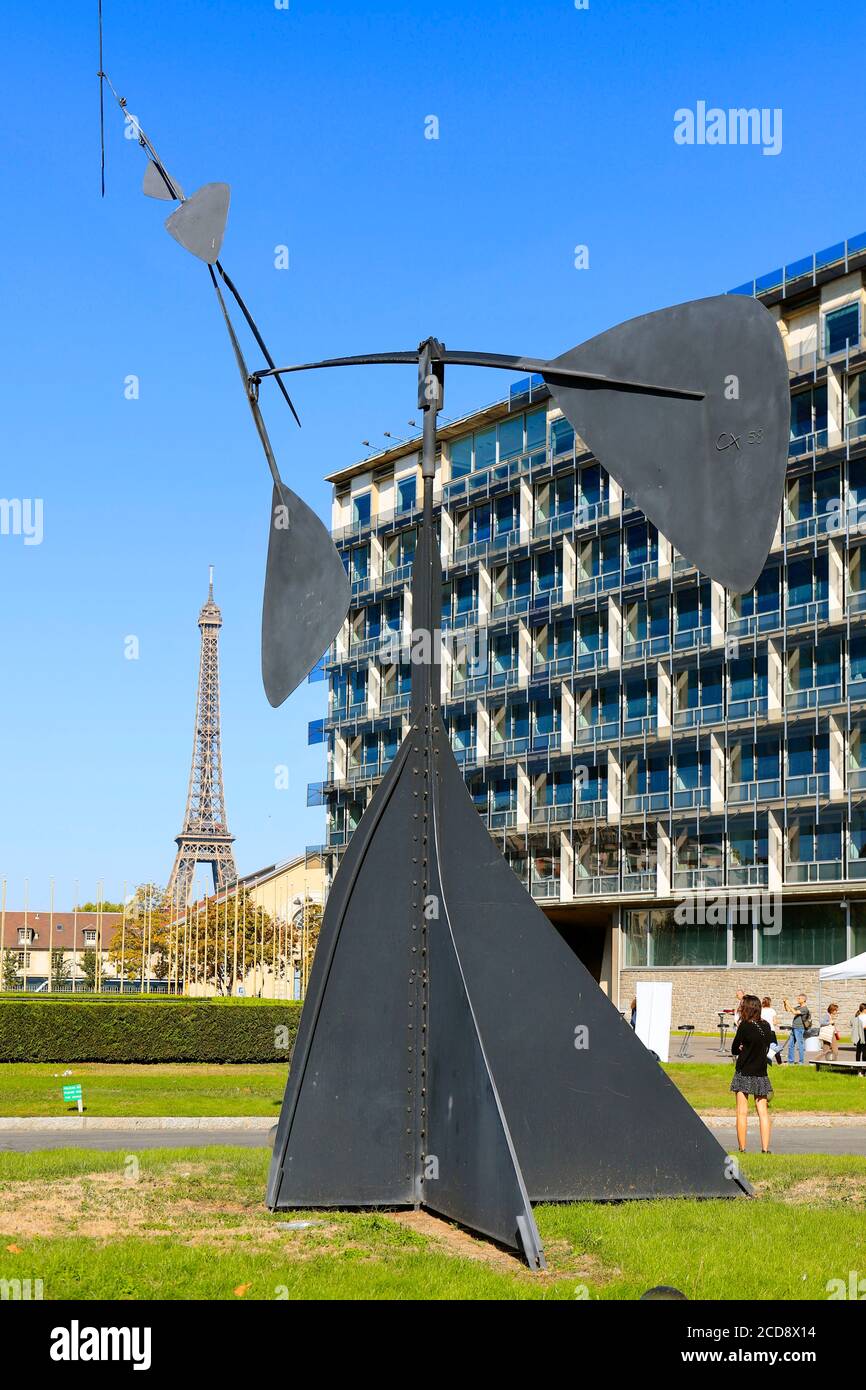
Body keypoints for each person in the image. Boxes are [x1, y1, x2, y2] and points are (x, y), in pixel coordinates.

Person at [730, 993, 773, 1153]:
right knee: (763, 1112)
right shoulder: (766, 1026)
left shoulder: (745, 1026)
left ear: (747, 1008)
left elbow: (734, 1048)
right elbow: (767, 1044)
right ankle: (765, 1148)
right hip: (761, 1072)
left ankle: (742, 1148)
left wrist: (742, 1047)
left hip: (744, 1071)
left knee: (742, 1111)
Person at [782, 993, 812, 1065]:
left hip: (799, 1029)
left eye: (799, 998)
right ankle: (791, 1061)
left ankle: (801, 1062)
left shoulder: (805, 1009)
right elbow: (788, 1010)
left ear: (804, 1000)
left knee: (800, 1045)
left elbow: (794, 1012)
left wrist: (788, 1003)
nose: (797, 999)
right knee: (791, 1045)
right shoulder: (798, 1007)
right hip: (794, 1028)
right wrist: (784, 1003)